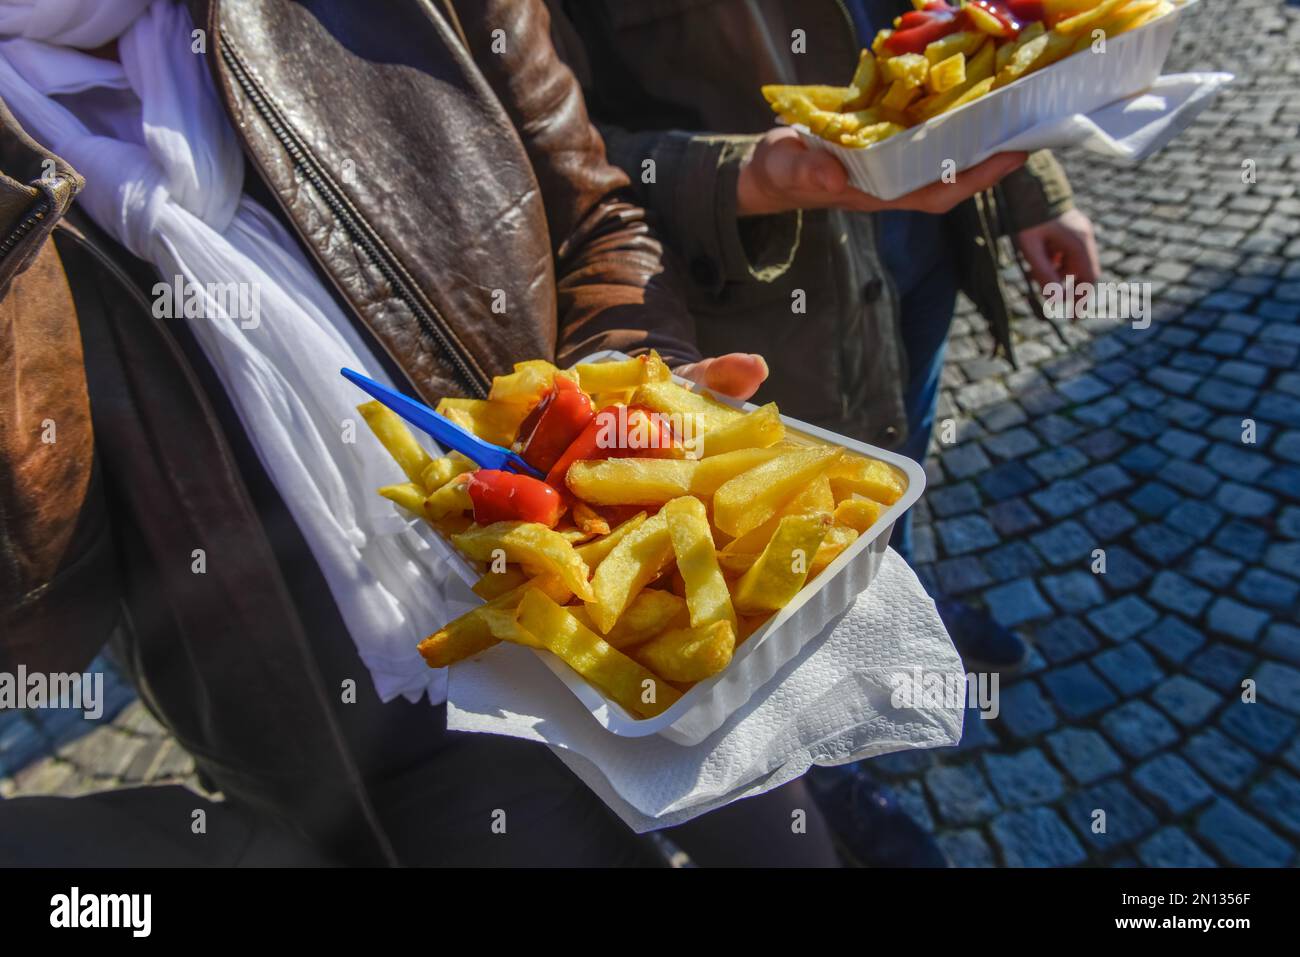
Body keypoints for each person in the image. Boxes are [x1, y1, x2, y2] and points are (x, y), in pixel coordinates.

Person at [0, 0, 831, 866]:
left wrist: (645, 383)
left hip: (625, 597)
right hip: (378, 748)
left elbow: (592, 217)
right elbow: (43, 630)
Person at [547, 0, 1100, 864]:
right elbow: (553, 156)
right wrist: (758, 175)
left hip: (922, 252)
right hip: (761, 298)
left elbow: (957, 17)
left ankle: (906, 598)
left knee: (901, 449)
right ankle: (824, 776)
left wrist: (1032, 185)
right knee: (785, 580)